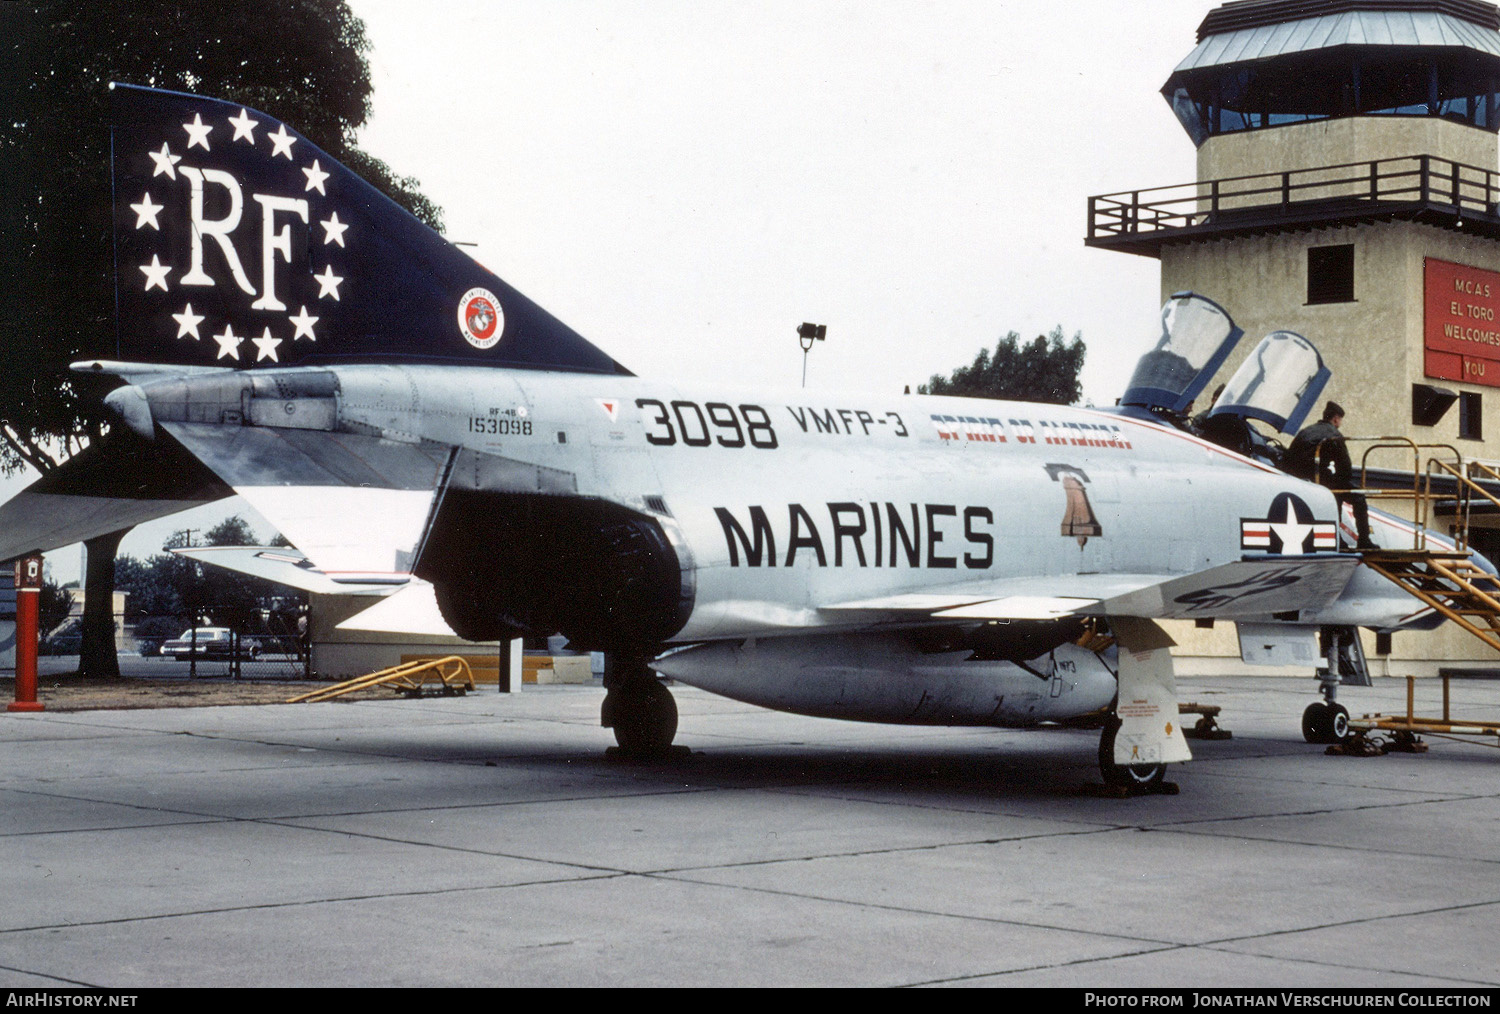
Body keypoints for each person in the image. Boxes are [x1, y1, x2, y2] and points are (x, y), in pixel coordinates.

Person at [1284, 401, 1374, 549]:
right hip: (1317, 480)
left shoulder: (1306, 431)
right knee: (1356, 496)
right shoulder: (1334, 435)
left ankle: (1337, 537)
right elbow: (1345, 468)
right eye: (1340, 421)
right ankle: (1364, 540)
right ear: (1336, 419)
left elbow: (1289, 457)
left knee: (1335, 490)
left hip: (1298, 480)